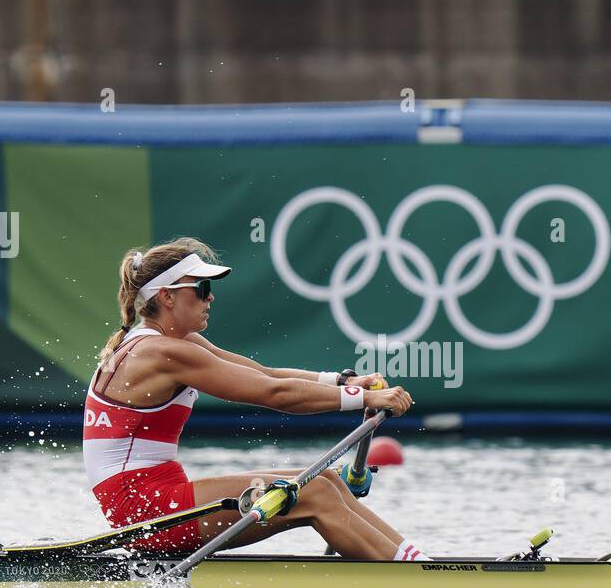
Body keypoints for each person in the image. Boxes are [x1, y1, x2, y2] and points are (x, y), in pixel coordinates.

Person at [83, 237, 430, 561]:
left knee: (328, 480)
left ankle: (419, 564)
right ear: (167, 297)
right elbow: (273, 394)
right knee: (316, 495)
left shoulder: (172, 342)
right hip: (143, 510)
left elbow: (266, 374)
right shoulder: (159, 352)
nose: (210, 298)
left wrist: (345, 381)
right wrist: (360, 399)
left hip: (158, 496)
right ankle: (418, 580)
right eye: (202, 289)